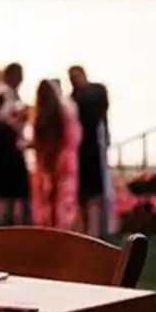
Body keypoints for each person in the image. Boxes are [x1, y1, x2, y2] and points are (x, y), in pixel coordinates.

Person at [31, 79, 81, 230]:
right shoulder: (68, 110)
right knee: (64, 201)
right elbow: (75, 137)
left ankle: (46, 232)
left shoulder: (39, 114)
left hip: (44, 161)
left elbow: (36, 141)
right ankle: (62, 232)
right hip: (66, 160)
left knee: (45, 200)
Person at [69, 66, 110, 237]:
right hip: (90, 147)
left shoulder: (75, 99)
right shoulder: (97, 92)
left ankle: (87, 231)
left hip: (79, 148)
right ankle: (94, 232)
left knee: (85, 195)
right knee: (93, 194)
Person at [0, 63, 31, 225]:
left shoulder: (12, 94)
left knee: (13, 191)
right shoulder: (2, 92)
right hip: (4, 146)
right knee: (5, 191)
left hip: (10, 146)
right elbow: (2, 116)